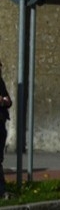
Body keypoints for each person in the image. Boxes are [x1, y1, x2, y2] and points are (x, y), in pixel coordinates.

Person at [1, 57, 11, 198]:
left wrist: (6, 101)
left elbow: (8, 100)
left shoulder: (0, 82)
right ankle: (2, 191)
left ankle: (2, 190)